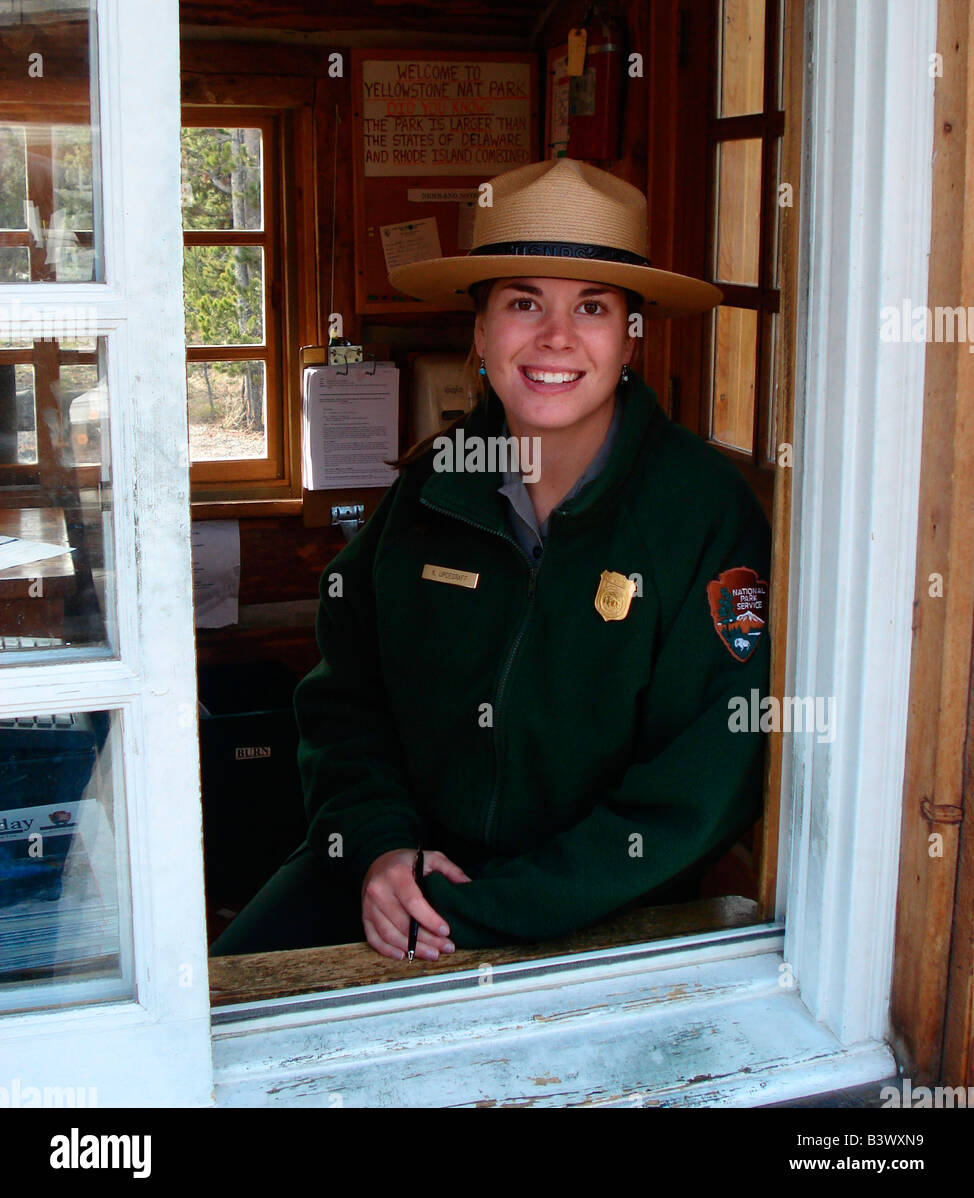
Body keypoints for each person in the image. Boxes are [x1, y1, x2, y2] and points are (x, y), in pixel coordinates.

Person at [210, 157, 770, 961]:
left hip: (602, 907)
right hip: (398, 879)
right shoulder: (429, 493)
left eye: (593, 307)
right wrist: (378, 846)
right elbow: (343, 705)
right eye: (522, 303)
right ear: (479, 334)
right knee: (220, 1013)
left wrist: (482, 912)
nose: (556, 337)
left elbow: (703, 781)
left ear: (630, 339)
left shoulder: (703, 514)